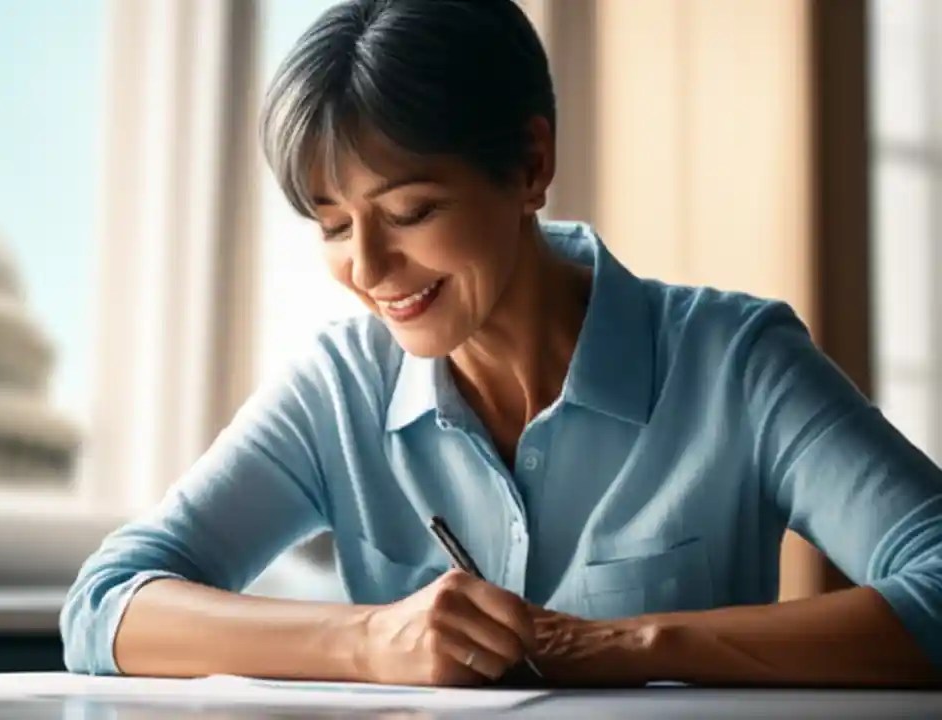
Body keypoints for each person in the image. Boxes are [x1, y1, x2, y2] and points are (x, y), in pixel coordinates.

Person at [62, 0, 941, 686]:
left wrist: (619, 642)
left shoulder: (736, 362)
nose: (368, 267)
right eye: (333, 226)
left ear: (529, 165)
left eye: (412, 212)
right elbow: (104, 606)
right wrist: (373, 640)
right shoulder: (336, 390)